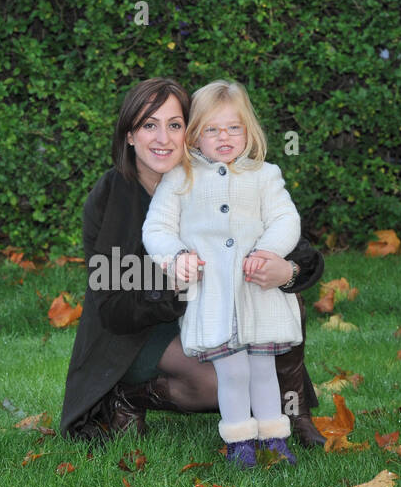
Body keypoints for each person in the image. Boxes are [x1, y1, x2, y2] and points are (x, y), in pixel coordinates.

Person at [59, 77, 325, 445]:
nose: (163, 139)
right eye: (148, 125)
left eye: (174, 125)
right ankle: (127, 397)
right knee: (221, 382)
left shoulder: (220, 175)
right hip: (136, 332)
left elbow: (299, 249)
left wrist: (287, 271)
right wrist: (173, 283)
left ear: (192, 131)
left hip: (209, 310)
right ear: (129, 136)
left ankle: (296, 415)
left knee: (281, 294)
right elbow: (113, 302)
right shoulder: (112, 196)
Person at [142, 80, 302, 466]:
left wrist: (269, 251)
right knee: (232, 372)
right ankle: (239, 441)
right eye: (212, 129)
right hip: (212, 296)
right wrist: (176, 256)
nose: (224, 137)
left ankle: (274, 439)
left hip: (257, 294)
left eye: (234, 127)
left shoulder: (265, 175)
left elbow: (285, 219)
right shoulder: (181, 177)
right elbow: (156, 229)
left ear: (249, 131)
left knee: (264, 370)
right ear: (195, 136)